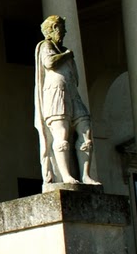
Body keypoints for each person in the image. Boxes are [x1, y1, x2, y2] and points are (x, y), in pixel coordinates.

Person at [33, 15, 97, 187]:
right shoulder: (46, 46)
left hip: (71, 93)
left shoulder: (63, 49)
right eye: (62, 28)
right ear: (53, 29)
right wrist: (67, 55)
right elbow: (49, 63)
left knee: (86, 131)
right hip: (55, 94)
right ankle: (66, 176)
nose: (65, 32)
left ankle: (85, 176)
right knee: (61, 135)